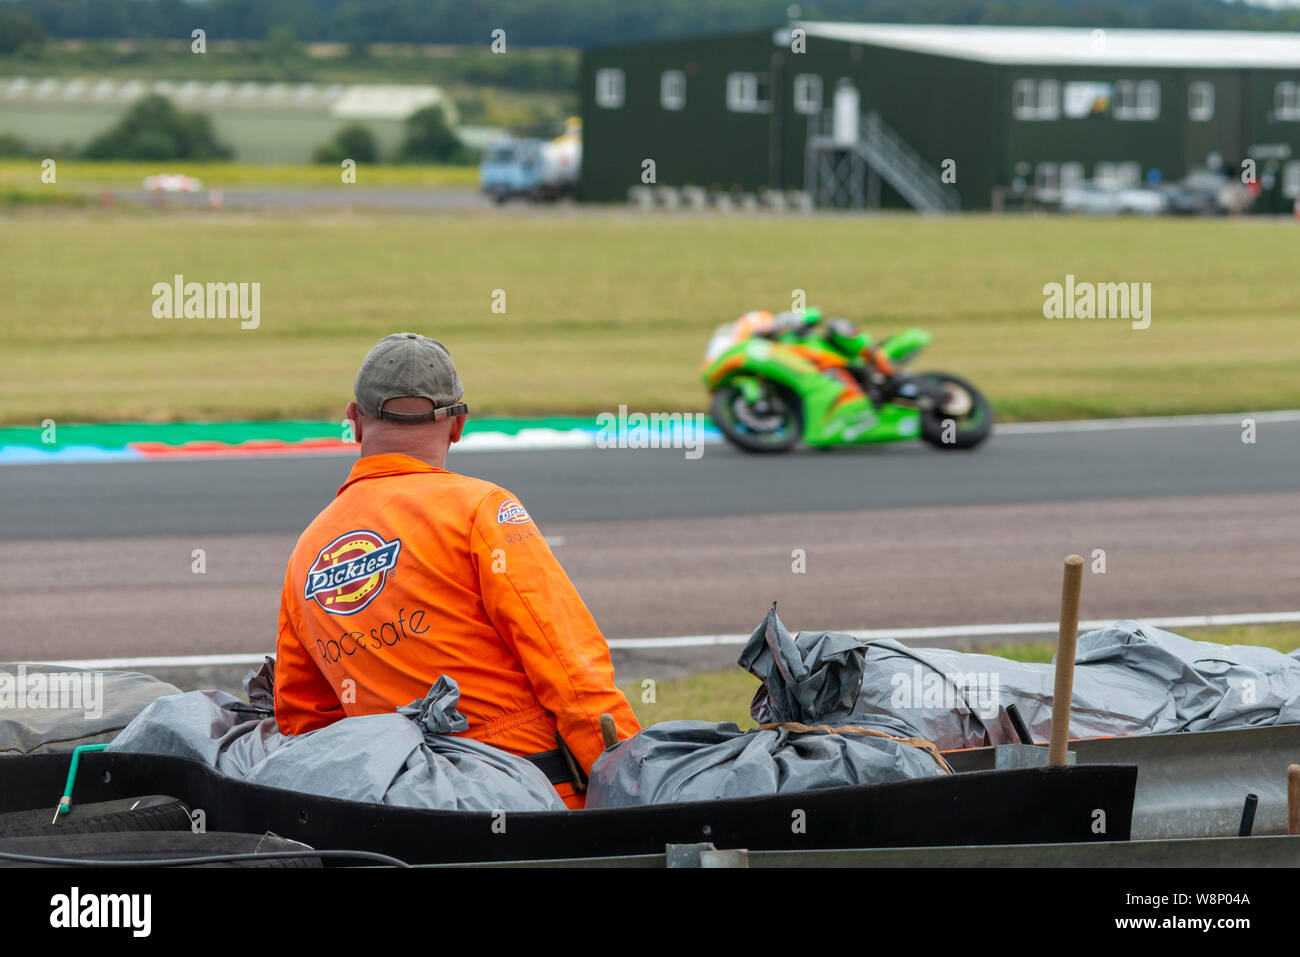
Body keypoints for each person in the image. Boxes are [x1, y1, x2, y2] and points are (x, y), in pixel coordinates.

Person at [273, 332, 640, 808]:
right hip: (529, 799)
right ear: (457, 424)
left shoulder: (307, 550)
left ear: (355, 421)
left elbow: (305, 719)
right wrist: (628, 783)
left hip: (397, 814)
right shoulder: (481, 509)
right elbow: (569, 665)